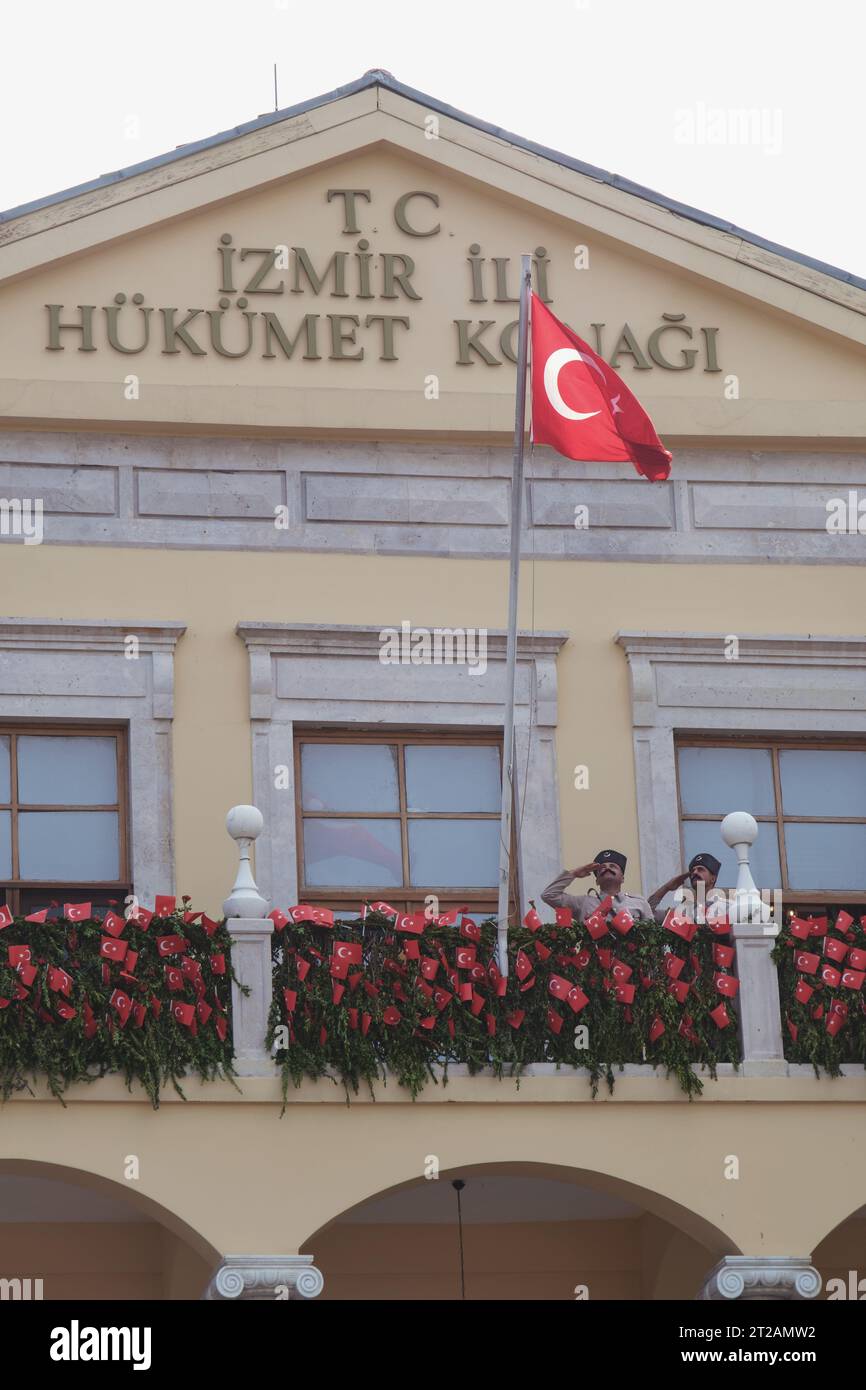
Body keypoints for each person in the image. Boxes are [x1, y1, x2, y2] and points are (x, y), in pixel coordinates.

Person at [541, 848, 653, 924]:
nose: (607, 868)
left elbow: (652, 938)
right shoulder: (583, 903)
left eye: (613, 866)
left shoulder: (639, 903)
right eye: (602, 867)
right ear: (597, 881)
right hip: (596, 958)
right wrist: (574, 873)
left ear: (622, 878)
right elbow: (548, 895)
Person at [649, 852, 723, 923]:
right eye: (693, 871)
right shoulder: (682, 912)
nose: (695, 872)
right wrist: (666, 888)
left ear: (713, 879)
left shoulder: (725, 908)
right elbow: (647, 915)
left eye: (700, 869)